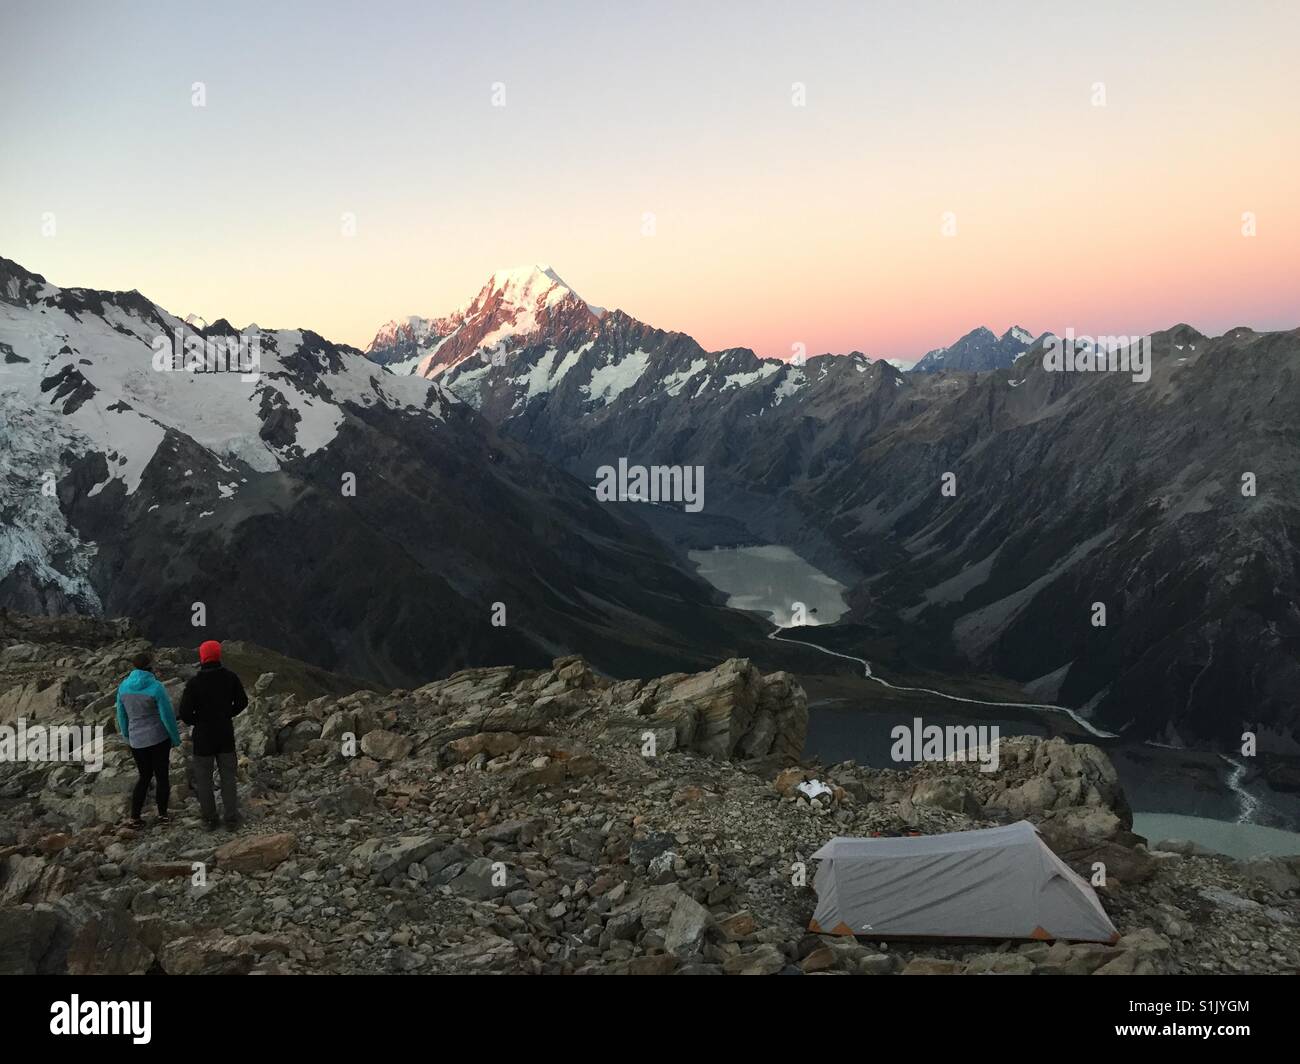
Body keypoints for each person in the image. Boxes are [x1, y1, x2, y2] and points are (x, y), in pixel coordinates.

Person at [178, 640, 248, 829]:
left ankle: (210, 819)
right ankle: (231, 818)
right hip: (225, 734)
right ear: (218, 655)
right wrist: (227, 714)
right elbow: (242, 701)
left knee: (204, 780)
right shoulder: (230, 677)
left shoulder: (194, 683)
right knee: (228, 777)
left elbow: (184, 713)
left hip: (203, 737)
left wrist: (198, 721)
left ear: (202, 657)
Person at [115, 651, 181, 827]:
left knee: (144, 776)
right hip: (158, 737)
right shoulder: (156, 687)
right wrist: (175, 738)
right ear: (150, 666)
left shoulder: (123, 687)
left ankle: (135, 817)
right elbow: (167, 715)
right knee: (162, 776)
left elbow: (121, 715)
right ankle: (163, 815)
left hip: (137, 740)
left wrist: (127, 736)